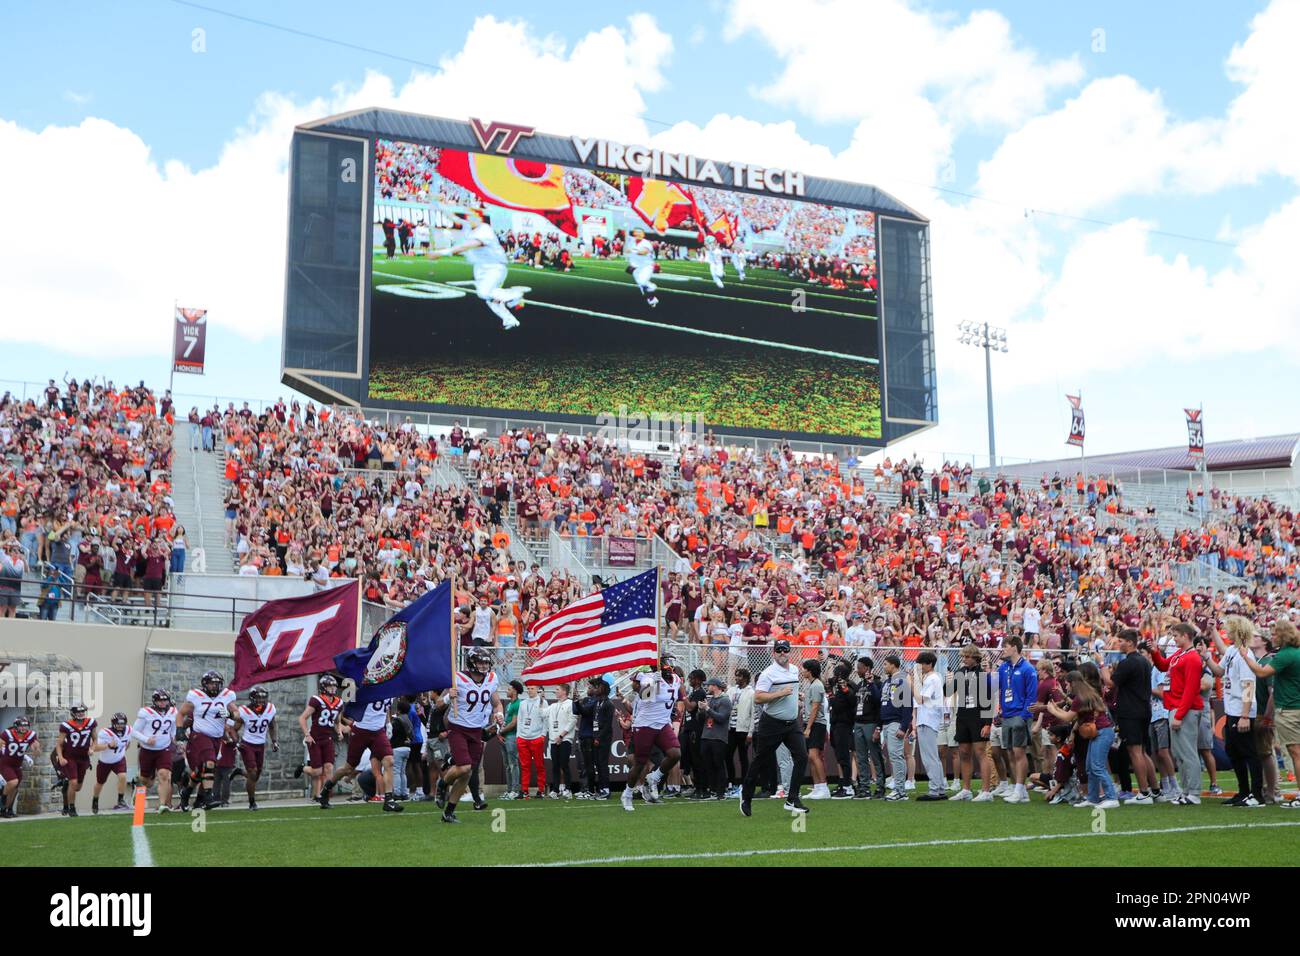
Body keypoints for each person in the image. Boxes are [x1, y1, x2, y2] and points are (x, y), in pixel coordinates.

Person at [427, 208, 529, 330]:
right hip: (480, 268)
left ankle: (515, 295)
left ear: (480, 217)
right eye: (468, 216)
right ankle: (510, 320)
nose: (469, 219)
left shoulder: (485, 230)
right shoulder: (468, 226)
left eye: (473, 216)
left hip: (494, 266)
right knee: (491, 299)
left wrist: (440, 253)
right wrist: (438, 205)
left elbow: (467, 246)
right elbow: (453, 217)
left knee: (485, 293)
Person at [740, 640, 810, 816]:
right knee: (760, 760)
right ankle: (746, 795)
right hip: (772, 723)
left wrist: (796, 696)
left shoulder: (794, 669)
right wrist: (780, 693)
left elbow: (791, 691)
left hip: (791, 723)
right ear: (773, 653)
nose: (782, 653)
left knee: (802, 756)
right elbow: (758, 698)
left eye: (785, 650)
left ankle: (792, 798)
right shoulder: (768, 674)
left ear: (789, 652)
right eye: (778, 650)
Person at [440, 649, 503, 824]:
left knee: (467, 774)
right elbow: (438, 704)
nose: (484, 665)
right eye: (480, 662)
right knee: (464, 767)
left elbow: (497, 703)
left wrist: (500, 714)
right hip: (458, 727)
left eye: (485, 662)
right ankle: (443, 783)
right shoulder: (457, 678)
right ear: (471, 663)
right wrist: (446, 699)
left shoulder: (491, 679)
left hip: (477, 730)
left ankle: (449, 812)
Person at [1242, 618, 1300, 808]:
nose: (1272, 637)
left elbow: (1261, 672)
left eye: (1274, 634)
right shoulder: (1294, 653)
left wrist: (1245, 656)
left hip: (1289, 708)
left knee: (1295, 752)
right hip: (1292, 706)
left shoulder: (1284, 655)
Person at [1048, 666, 1119, 809]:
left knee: (1097, 766)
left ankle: (1112, 797)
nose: (1066, 686)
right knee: (1090, 767)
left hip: (1102, 732)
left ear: (1073, 683)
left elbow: (1068, 717)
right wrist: (1055, 709)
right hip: (1100, 732)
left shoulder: (1080, 697)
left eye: (1067, 683)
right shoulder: (1086, 693)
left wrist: (1052, 710)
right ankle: (1092, 798)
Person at [1209, 616, 1262, 807]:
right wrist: (1206, 657)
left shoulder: (1244, 654)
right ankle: (1243, 791)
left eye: (1229, 630)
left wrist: (1245, 715)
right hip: (1233, 709)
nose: (1227, 633)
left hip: (1242, 709)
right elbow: (1218, 671)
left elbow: (1249, 685)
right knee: (1234, 752)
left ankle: (1256, 794)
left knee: (1248, 752)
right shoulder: (1232, 650)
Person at [1150, 622, 1205, 804]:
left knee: (1187, 752)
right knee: (1179, 753)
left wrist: (1180, 715)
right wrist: (1154, 652)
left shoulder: (1192, 658)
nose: (1173, 639)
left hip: (1184, 709)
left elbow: (1191, 689)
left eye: (1176, 635)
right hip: (1176, 706)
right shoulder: (1180, 654)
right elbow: (1163, 665)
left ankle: (1194, 792)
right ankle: (1187, 790)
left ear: (1185, 636)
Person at [622, 654, 685, 812]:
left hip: (663, 723)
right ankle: (628, 793)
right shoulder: (648, 677)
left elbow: (679, 699)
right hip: (645, 724)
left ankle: (654, 777)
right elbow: (645, 698)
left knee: (675, 753)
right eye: (666, 662)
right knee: (640, 763)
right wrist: (653, 683)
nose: (670, 665)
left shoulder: (677, 679)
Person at [317, 698, 403, 813]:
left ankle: (389, 800)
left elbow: (385, 707)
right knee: (348, 768)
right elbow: (349, 701)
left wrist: (388, 723)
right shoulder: (368, 687)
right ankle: (326, 788)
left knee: (389, 761)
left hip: (378, 731)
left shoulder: (389, 691)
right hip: (361, 731)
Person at [1104, 629, 1156, 804]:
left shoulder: (1128, 662)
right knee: (1141, 751)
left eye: (1121, 641)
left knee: (1135, 752)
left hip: (1131, 712)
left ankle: (1144, 792)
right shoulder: (1144, 662)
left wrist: (1101, 665)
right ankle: (1154, 790)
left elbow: (1110, 683)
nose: (1118, 644)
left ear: (1131, 642)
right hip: (1143, 710)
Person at [177, 669, 237, 812]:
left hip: (216, 738)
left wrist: (229, 714)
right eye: (211, 684)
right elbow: (181, 713)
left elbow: (238, 713)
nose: (214, 687)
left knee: (201, 771)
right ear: (205, 684)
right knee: (209, 763)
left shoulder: (225, 696)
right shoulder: (196, 696)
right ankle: (208, 798)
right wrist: (179, 732)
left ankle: (187, 792)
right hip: (199, 735)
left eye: (217, 684)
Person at [996, 636, 1038, 804]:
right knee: (1010, 753)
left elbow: (1031, 695)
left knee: (1019, 752)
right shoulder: (1003, 668)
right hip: (1007, 714)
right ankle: (1018, 789)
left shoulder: (1028, 669)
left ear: (1014, 647)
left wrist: (1024, 715)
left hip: (1020, 714)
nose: (1002, 649)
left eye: (1005, 646)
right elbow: (996, 688)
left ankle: (1020, 788)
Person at [950, 645, 993, 801]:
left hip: (978, 716)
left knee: (980, 752)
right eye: (963, 657)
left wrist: (988, 723)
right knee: (964, 752)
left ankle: (986, 791)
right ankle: (966, 789)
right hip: (962, 715)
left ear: (975, 657)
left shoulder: (982, 674)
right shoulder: (960, 673)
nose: (964, 659)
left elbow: (988, 699)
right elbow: (947, 691)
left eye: (967, 657)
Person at [298, 674, 344, 802]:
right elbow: (302, 718)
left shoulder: (339, 702)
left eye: (334, 686)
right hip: (315, 739)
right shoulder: (316, 700)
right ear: (323, 687)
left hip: (327, 738)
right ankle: (302, 768)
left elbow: (336, 721)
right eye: (330, 686)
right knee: (317, 772)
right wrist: (307, 735)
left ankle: (325, 796)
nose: (333, 689)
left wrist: (339, 731)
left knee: (329, 768)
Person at [133, 689, 178, 813]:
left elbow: (173, 729)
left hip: (164, 749)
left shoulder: (173, 711)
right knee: (146, 781)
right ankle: (139, 783)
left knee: (164, 775)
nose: (162, 703)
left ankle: (162, 805)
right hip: (147, 750)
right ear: (154, 701)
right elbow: (134, 731)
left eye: (165, 700)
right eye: (159, 700)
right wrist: (146, 739)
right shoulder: (146, 713)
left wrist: (175, 739)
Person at [913, 651, 949, 800]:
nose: (919, 667)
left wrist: (913, 682)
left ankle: (934, 789)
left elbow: (921, 699)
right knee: (933, 756)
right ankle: (939, 788)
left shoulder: (932, 678)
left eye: (921, 664)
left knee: (929, 757)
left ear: (928, 664)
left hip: (927, 719)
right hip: (927, 719)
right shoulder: (932, 678)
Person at [235, 685, 277, 811]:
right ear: (252, 698)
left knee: (256, 775)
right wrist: (236, 742)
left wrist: (274, 741)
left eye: (263, 698)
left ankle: (239, 772)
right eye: (258, 698)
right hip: (247, 744)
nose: (261, 701)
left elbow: (272, 725)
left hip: (260, 745)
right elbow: (234, 729)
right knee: (253, 773)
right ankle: (252, 802)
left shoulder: (270, 709)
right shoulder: (244, 711)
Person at [878, 654, 913, 802]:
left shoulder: (902, 681)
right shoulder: (887, 681)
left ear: (893, 665)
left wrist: (903, 726)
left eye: (886, 664)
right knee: (894, 756)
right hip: (886, 723)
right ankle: (898, 789)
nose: (884, 666)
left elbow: (907, 705)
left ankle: (900, 790)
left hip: (895, 723)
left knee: (896, 756)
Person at [573, 676, 614, 799]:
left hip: (603, 739)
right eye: (594, 687)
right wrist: (576, 702)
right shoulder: (597, 702)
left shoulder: (608, 704)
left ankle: (605, 789)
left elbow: (607, 725)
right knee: (598, 764)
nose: (595, 689)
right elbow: (584, 712)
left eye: (597, 686)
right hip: (596, 737)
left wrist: (598, 738)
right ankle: (601, 790)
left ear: (604, 688)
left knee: (602, 764)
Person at [53, 702, 97, 816]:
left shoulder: (90, 723)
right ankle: (71, 808)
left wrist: (92, 748)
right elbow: (59, 744)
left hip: (83, 758)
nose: (81, 713)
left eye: (83, 711)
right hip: (70, 757)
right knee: (74, 782)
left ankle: (66, 785)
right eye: (79, 712)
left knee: (77, 787)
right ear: (73, 713)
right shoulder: (66, 725)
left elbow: (95, 739)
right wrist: (61, 757)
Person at [851, 657, 885, 799]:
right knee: (861, 757)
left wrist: (878, 727)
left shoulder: (877, 683)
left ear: (867, 668)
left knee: (876, 756)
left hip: (871, 723)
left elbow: (879, 702)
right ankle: (864, 787)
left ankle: (880, 787)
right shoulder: (859, 685)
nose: (857, 670)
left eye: (859, 667)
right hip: (858, 723)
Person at [802, 659, 832, 800]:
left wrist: (808, 727)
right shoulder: (812, 685)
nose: (802, 671)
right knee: (811, 756)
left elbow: (815, 708)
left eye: (804, 669)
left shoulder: (817, 686)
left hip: (816, 724)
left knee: (814, 755)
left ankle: (823, 787)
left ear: (810, 671)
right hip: (811, 723)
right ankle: (817, 787)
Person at [827, 662, 857, 799]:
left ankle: (848, 786)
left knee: (844, 756)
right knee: (840, 755)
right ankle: (844, 784)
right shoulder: (840, 686)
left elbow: (838, 705)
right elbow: (828, 680)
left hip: (843, 724)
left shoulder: (848, 688)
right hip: (836, 723)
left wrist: (831, 695)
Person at [90, 712, 130, 814]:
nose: (121, 726)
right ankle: (95, 799)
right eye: (118, 723)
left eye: (122, 723)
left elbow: (127, 743)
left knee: (123, 776)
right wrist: (109, 746)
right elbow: (95, 748)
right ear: (113, 723)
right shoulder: (105, 732)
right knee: (100, 783)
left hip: (119, 759)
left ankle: (120, 799)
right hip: (105, 761)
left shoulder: (128, 730)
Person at [699, 678, 732, 799]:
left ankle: (720, 791)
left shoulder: (725, 700)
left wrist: (707, 709)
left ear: (715, 686)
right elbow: (702, 718)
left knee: (718, 764)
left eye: (709, 686)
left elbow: (721, 718)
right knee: (707, 764)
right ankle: (711, 789)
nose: (707, 688)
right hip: (706, 735)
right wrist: (701, 710)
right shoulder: (710, 700)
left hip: (718, 737)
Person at [1, 716, 40, 818]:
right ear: (16, 726)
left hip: (17, 765)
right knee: (12, 782)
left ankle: (8, 809)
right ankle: (2, 803)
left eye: (26, 726)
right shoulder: (7, 733)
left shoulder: (30, 735)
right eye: (21, 726)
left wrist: (36, 749)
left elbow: (34, 750)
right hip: (5, 763)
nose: (24, 728)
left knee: (15, 788)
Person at [516, 684, 549, 800]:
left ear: (537, 690)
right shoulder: (523, 703)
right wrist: (518, 736)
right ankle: (524, 791)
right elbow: (519, 719)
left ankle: (541, 790)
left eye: (532, 689)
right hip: (523, 738)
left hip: (536, 737)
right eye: (528, 689)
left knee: (539, 765)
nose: (530, 691)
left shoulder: (542, 702)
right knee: (525, 766)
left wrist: (543, 735)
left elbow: (545, 719)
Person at [726, 669, 755, 794]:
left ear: (745, 678)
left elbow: (753, 714)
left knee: (743, 758)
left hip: (743, 729)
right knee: (728, 755)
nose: (736, 678)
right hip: (731, 728)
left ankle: (744, 784)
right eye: (736, 676)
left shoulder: (751, 692)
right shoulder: (731, 690)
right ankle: (731, 783)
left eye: (739, 676)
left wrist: (750, 732)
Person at [547, 683, 577, 799]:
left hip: (565, 739)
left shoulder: (570, 704)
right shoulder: (553, 705)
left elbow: (573, 721)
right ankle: (555, 790)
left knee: (564, 764)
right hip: (553, 739)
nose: (555, 691)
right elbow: (542, 713)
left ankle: (568, 789)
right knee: (555, 765)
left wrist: (561, 735)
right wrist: (540, 699)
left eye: (557, 689)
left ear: (564, 691)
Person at [625, 227, 659, 307]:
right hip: (635, 267)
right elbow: (625, 237)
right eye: (637, 232)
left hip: (646, 266)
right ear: (634, 233)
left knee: (643, 282)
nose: (638, 234)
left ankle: (652, 286)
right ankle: (651, 300)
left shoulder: (646, 243)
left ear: (643, 235)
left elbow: (643, 252)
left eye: (640, 233)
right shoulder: (631, 241)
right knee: (641, 286)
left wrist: (632, 251)